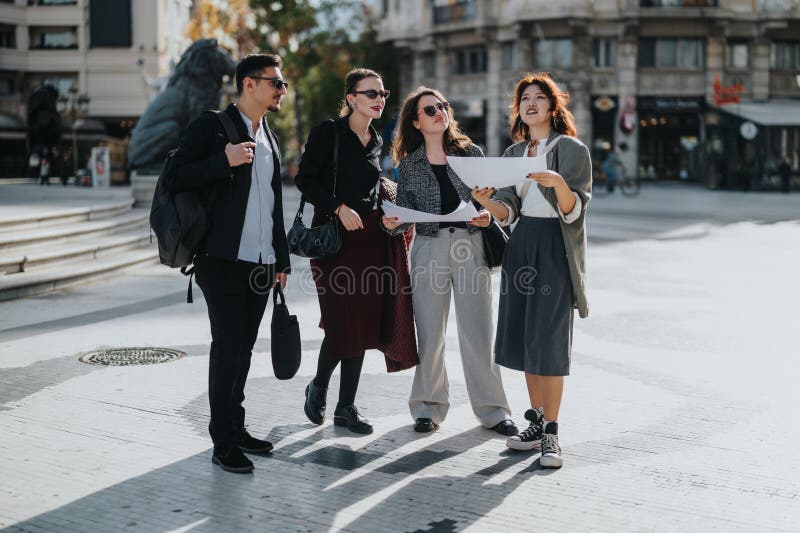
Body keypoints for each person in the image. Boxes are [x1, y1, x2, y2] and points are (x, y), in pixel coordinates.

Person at [165, 54, 291, 474]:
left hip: (260, 262)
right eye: (275, 82)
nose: (281, 89)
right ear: (249, 84)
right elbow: (175, 177)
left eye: (283, 83)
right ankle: (222, 441)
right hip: (220, 259)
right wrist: (225, 160)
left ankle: (236, 428)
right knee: (227, 348)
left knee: (243, 352)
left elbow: (273, 205)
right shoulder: (212, 126)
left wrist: (281, 259)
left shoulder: (270, 136)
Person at [472, 73, 591, 469]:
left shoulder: (570, 149)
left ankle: (553, 433)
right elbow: (508, 212)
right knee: (527, 337)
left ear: (553, 107)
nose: (532, 103)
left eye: (540, 97)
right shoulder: (512, 154)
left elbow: (574, 211)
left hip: (555, 246)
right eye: (525, 98)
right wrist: (486, 203)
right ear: (519, 108)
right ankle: (536, 421)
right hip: (521, 246)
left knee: (549, 339)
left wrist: (557, 183)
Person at [383, 87, 517, 436]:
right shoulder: (409, 165)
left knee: (479, 331)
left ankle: (493, 410)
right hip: (429, 248)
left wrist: (486, 216)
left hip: (469, 245)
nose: (439, 112)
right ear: (416, 121)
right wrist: (393, 223)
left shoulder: (470, 152)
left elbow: (490, 201)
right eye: (430, 109)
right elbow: (406, 219)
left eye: (442, 106)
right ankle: (428, 407)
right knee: (429, 332)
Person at [296, 68, 416, 435]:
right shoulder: (328, 133)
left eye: (383, 93)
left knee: (361, 326)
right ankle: (318, 385)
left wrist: (390, 212)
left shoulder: (377, 140)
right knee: (341, 322)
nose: (379, 99)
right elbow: (305, 180)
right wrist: (337, 208)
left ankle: (345, 408)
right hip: (334, 243)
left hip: (371, 241)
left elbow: (371, 189)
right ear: (351, 98)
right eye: (371, 94)